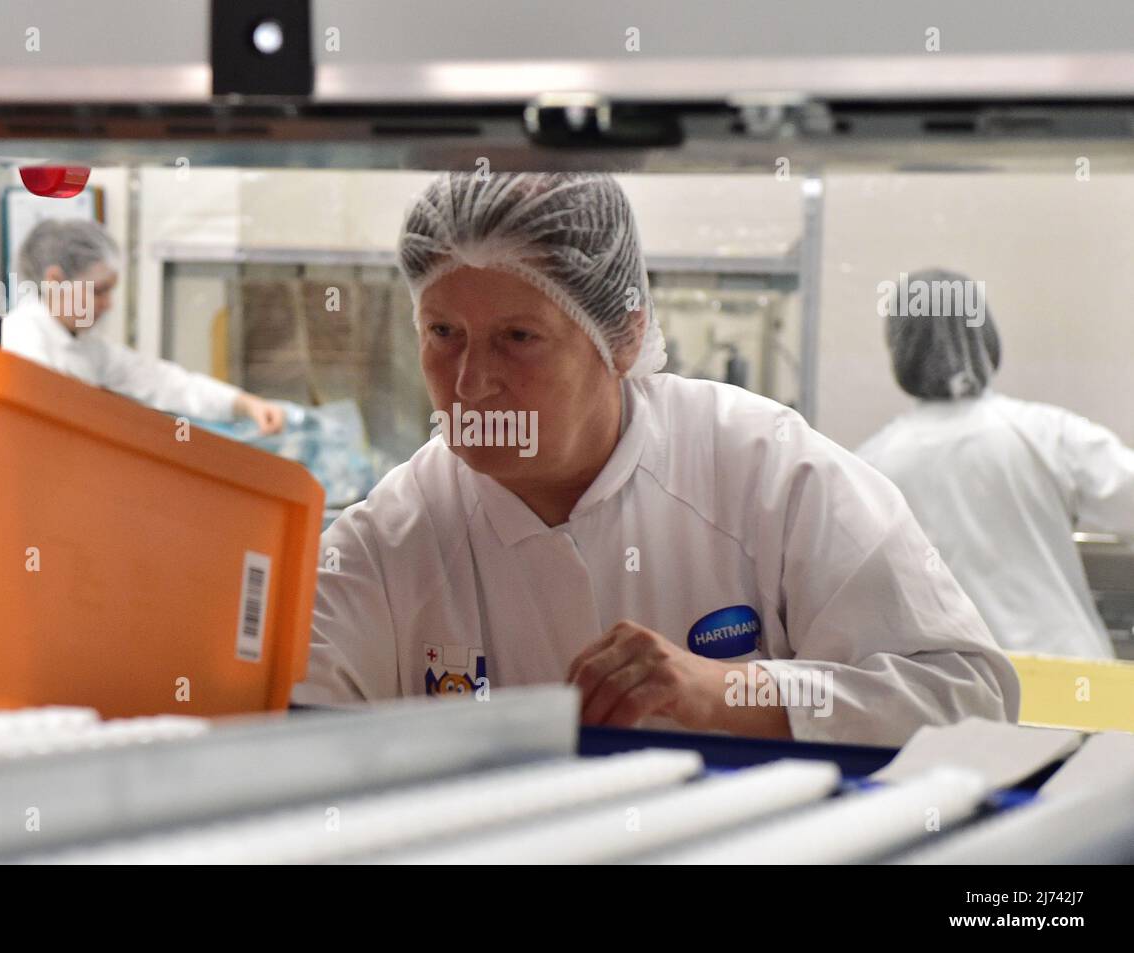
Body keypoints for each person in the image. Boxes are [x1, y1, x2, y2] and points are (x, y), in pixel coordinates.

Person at [292, 173, 1019, 748]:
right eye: (443, 330)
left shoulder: (765, 468)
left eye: (518, 336)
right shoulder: (389, 542)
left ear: (624, 337)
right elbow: (284, 733)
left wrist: (734, 693)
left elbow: (969, 694)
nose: (471, 379)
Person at [858, 269, 1134, 659]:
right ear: (986, 338)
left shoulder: (871, 465)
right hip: (1069, 680)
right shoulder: (1048, 434)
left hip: (954, 690)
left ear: (900, 351)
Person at [1, 219, 284, 433]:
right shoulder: (22, 338)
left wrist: (244, 403)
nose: (108, 304)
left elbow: (163, 382)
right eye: (99, 291)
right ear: (55, 281)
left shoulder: (87, 347)